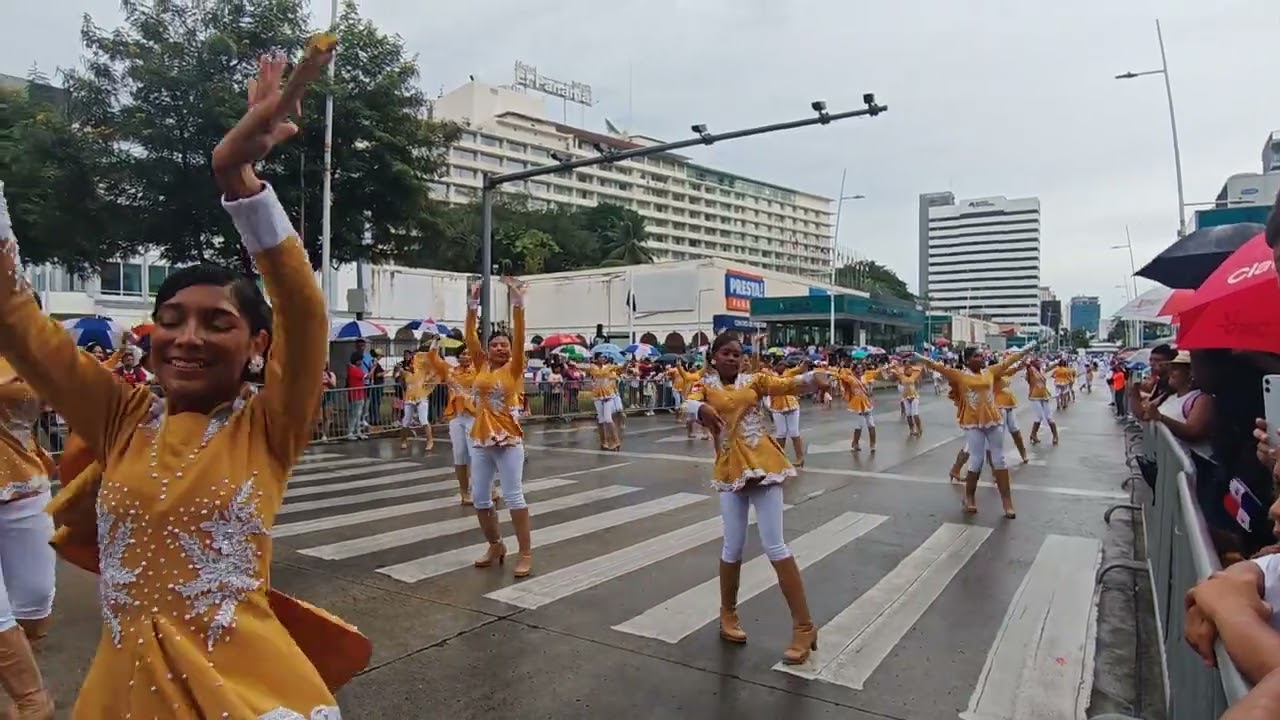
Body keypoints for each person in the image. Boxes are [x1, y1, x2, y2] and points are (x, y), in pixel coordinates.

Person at [0, 45, 373, 718]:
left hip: (239, 690)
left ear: (258, 345)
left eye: (216, 322)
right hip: (122, 692)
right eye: (171, 319)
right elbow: (21, 324)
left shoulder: (269, 426)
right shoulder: (121, 418)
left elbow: (303, 307)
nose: (189, 336)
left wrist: (237, 178)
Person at [684, 332, 829, 664]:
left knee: (774, 544)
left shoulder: (756, 380)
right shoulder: (703, 385)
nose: (733, 358)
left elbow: (786, 385)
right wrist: (700, 408)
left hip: (764, 467)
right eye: (726, 353)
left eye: (738, 353)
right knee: (732, 546)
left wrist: (815, 378)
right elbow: (688, 404)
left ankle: (804, 626)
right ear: (713, 356)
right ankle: (728, 615)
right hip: (729, 470)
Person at [914, 344, 1033, 517]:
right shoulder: (960, 375)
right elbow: (938, 366)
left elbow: (1008, 362)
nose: (981, 358)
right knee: (976, 460)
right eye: (976, 356)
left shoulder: (990, 371)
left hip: (993, 419)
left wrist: (1025, 351)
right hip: (973, 422)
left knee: (1000, 459)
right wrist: (920, 357)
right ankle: (969, 497)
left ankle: (1007, 502)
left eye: (981, 355)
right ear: (968, 360)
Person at [464, 277, 533, 577]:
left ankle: (526, 552)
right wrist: (472, 304)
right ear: (488, 349)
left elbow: (520, 338)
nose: (501, 348)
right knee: (480, 498)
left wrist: (517, 303)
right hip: (481, 439)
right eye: (495, 344)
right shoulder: (480, 365)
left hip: (507, 440)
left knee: (514, 496)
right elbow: (469, 337)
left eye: (504, 344)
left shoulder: (514, 367)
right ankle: (495, 544)